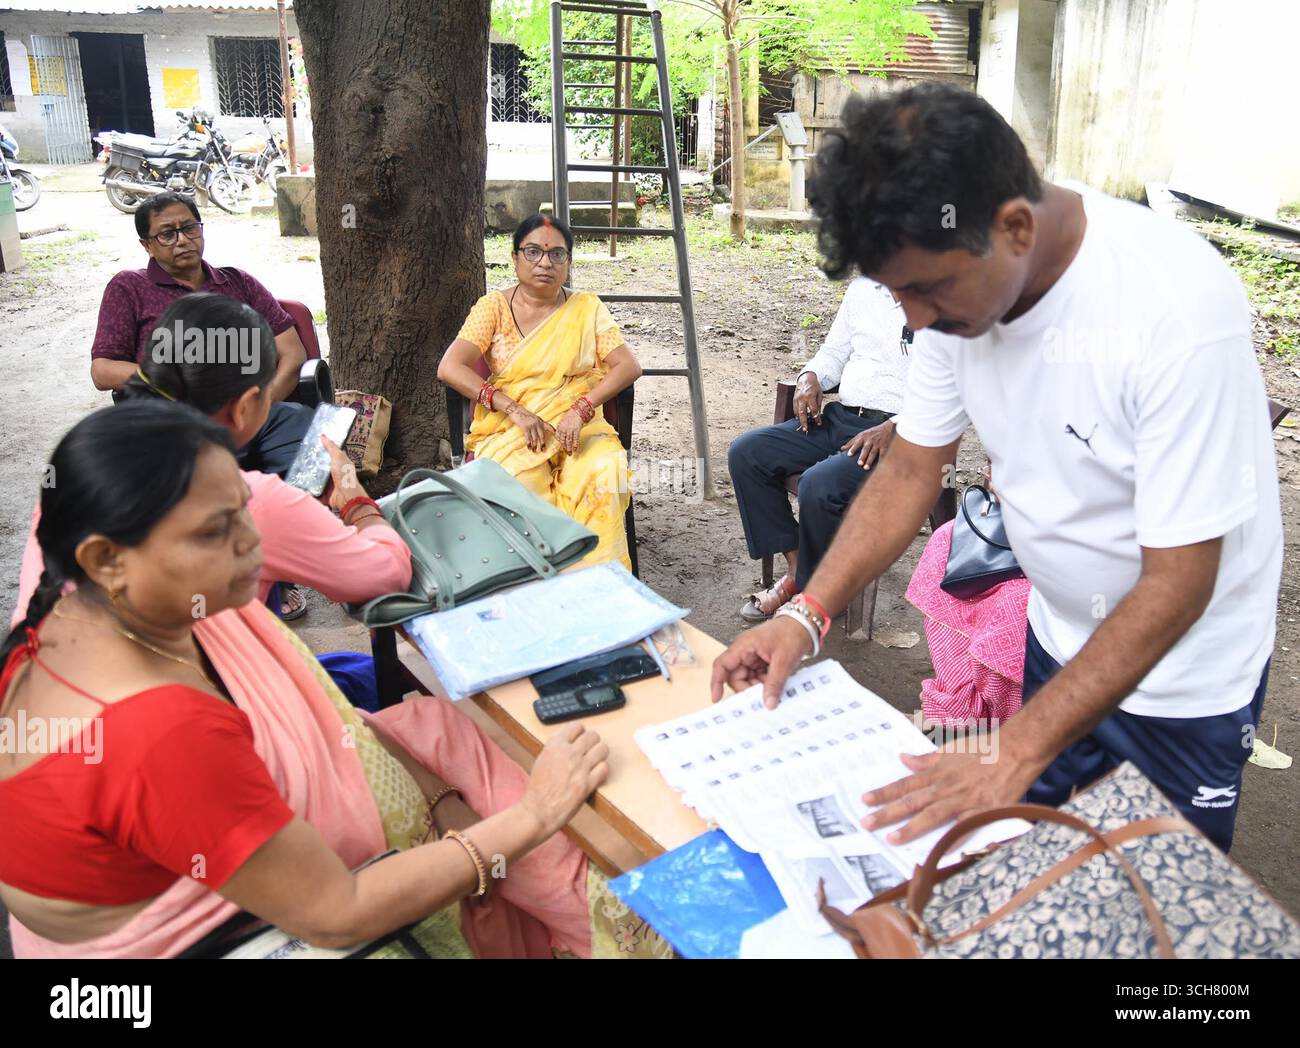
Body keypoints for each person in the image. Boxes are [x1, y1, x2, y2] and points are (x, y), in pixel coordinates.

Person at [711, 82, 1282, 854]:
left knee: (1154, 913)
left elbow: (1179, 579)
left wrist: (1014, 747)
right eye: (894, 294)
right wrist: (804, 617)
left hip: (1183, 685)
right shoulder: (955, 281)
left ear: (1015, 227)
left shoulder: (1173, 314)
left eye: (924, 290)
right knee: (1043, 867)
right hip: (1059, 641)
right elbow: (913, 470)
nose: (915, 322)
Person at [0, 402, 668, 959]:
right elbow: (339, 912)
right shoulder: (160, 735)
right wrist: (533, 814)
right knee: (520, 813)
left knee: (434, 732)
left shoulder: (62, 608)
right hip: (238, 936)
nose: (251, 543)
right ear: (105, 559)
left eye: (243, 509)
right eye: (215, 532)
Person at [18, 294, 411, 636]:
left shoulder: (78, 459)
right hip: (194, 707)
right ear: (244, 407)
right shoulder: (246, 501)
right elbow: (385, 574)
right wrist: (354, 498)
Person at [437, 214, 643, 570]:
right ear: (515, 257)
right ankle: (535, 595)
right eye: (533, 252)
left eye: (557, 254)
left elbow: (628, 365)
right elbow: (450, 367)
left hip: (578, 427)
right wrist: (514, 409)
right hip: (512, 429)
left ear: (569, 262)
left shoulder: (586, 308)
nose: (545, 262)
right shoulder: (493, 308)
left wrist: (581, 409)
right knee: (516, 487)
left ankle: (599, 591)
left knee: (604, 472)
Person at [89, 191, 312, 480]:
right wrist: (178, 383)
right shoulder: (129, 287)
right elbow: (102, 370)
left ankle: (289, 511)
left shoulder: (238, 282)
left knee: (306, 445)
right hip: (172, 416)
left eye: (189, 228)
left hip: (251, 411)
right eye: (167, 234)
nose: (182, 240)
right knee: (202, 478)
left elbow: (293, 353)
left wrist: (257, 406)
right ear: (147, 245)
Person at [728, 277, 909, 622]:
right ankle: (803, 574)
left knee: (818, 483)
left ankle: (819, 593)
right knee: (747, 454)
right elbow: (834, 353)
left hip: (903, 436)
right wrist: (810, 376)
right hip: (842, 419)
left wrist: (895, 427)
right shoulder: (863, 289)